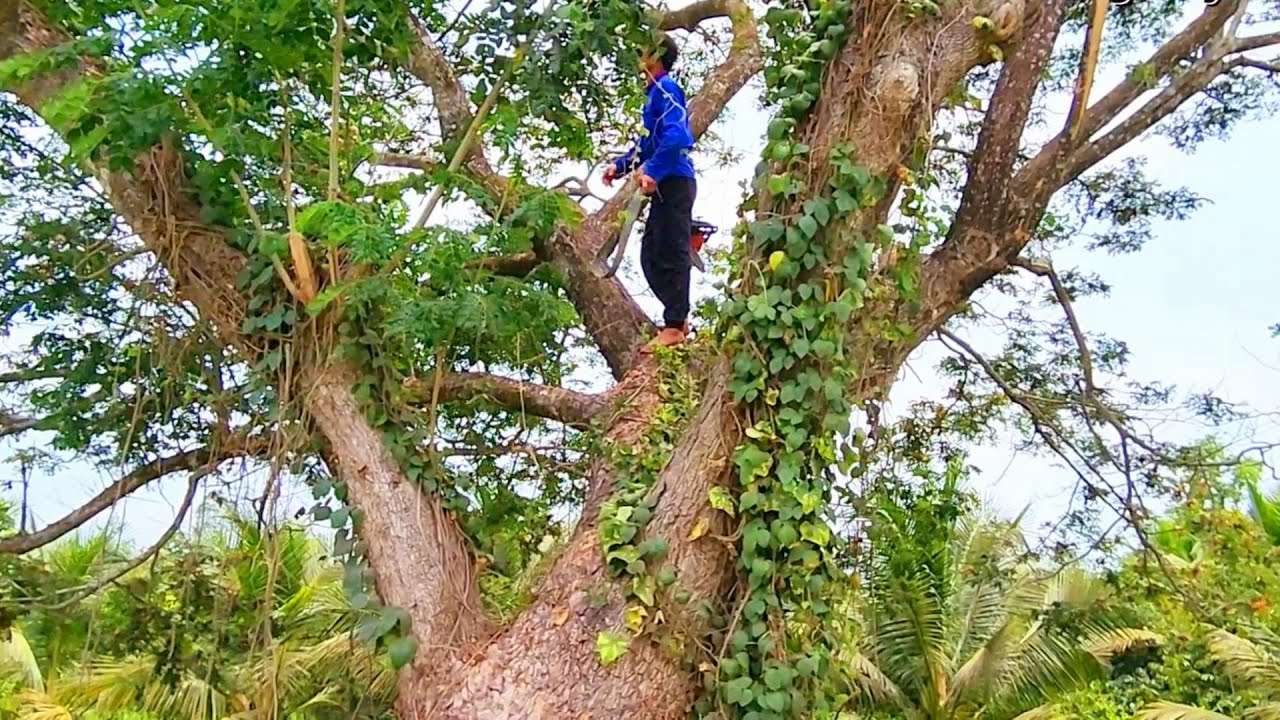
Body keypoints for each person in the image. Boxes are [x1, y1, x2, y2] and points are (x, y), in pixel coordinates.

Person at [603, 33, 696, 353]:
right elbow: (648, 145)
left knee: (672, 251)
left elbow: (677, 137)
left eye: (643, 53)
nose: (638, 60)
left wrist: (654, 172)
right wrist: (621, 165)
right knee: (650, 256)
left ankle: (674, 326)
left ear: (655, 57)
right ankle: (677, 319)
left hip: (675, 181)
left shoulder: (668, 88)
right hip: (663, 184)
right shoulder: (653, 95)